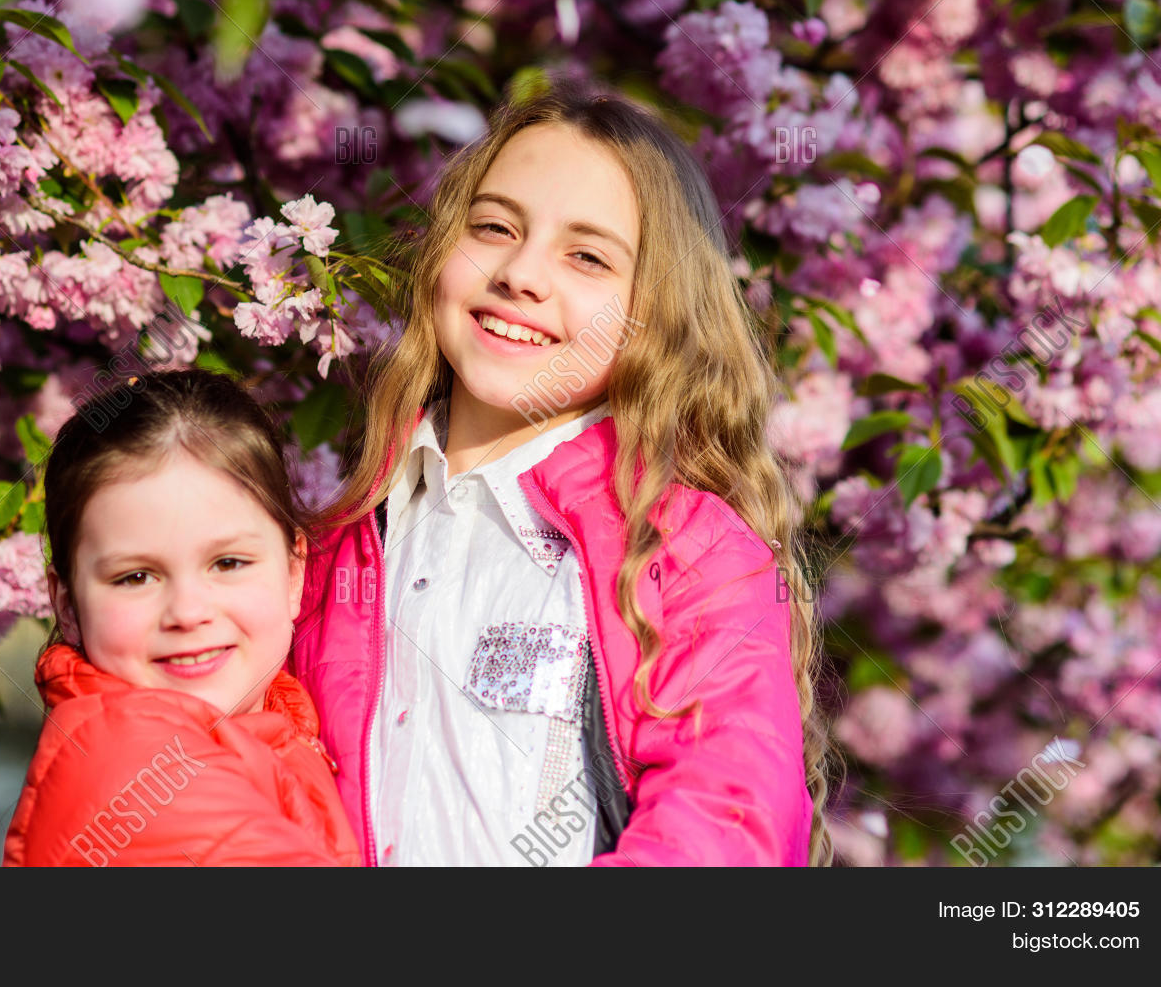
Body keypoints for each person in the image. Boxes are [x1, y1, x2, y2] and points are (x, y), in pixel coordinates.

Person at [292, 80, 835, 866]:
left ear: (654, 313)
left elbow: (724, 813)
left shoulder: (688, 551)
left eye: (586, 255)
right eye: (494, 226)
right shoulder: (339, 548)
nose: (521, 273)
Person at [3, 369, 359, 866]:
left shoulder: (286, 722)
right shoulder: (130, 768)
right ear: (67, 604)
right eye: (136, 577)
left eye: (228, 563)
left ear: (295, 573)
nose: (188, 613)